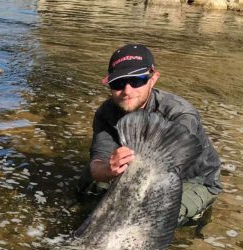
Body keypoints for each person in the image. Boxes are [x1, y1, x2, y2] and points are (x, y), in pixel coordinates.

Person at [78, 44, 222, 225]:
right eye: (118, 83)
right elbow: (97, 162)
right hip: (138, 171)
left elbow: (166, 172)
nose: (127, 91)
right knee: (89, 183)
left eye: (137, 80)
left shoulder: (180, 114)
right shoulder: (106, 113)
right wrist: (107, 169)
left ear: (153, 79)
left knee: (152, 217)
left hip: (192, 179)